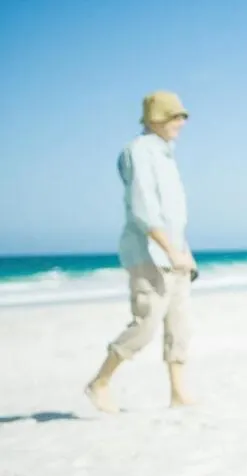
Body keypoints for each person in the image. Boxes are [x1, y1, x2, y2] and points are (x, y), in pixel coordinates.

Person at [85, 91, 196, 413]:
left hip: (176, 251)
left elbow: (173, 213)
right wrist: (169, 249)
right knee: (145, 324)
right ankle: (100, 382)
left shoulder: (166, 153)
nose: (180, 123)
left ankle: (178, 393)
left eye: (182, 117)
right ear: (155, 119)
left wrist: (184, 251)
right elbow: (143, 208)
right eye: (175, 117)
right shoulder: (138, 152)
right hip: (149, 254)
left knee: (180, 325)